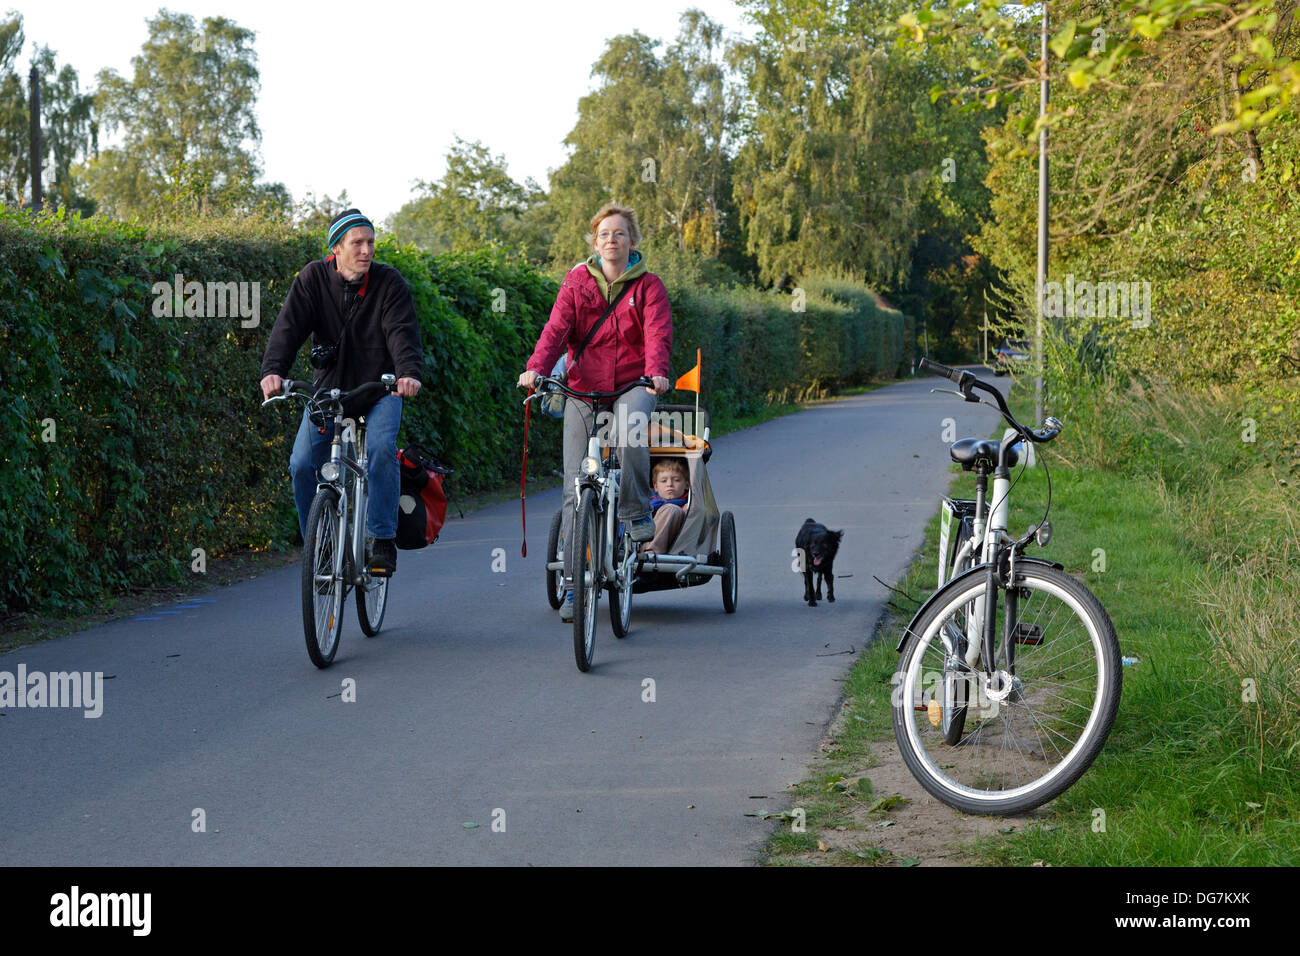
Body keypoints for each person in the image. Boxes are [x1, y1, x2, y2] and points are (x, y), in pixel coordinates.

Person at [518, 202, 673, 621]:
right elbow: (556, 330)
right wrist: (536, 368)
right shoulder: (577, 282)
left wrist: (656, 372)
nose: (611, 240)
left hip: (632, 384)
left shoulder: (649, 287)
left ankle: (636, 510)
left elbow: (658, 334)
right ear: (594, 241)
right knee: (574, 486)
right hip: (583, 388)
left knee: (629, 428)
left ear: (632, 242)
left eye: (619, 234)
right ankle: (574, 583)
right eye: (604, 234)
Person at [259, 208, 423, 576]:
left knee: (381, 451)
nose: (367, 250)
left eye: (371, 243)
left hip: (379, 391)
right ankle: (320, 547)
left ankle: (382, 539)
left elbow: (402, 333)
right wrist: (273, 372)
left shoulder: (389, 283)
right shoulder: (312, 279)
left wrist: (407, 374)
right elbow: (288, 329)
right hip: (328, 393)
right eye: (357, 243)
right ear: (335, 248)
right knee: (301, 465)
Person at [641, 457, 689, 555]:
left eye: (676, 480)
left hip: (675, 545)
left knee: (672, 509)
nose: (670, 484)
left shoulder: (688, 505)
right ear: (655, 487)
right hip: (641, 539)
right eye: (664, 481)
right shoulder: (649, 501)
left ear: (687, 485)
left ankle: (651, 552)